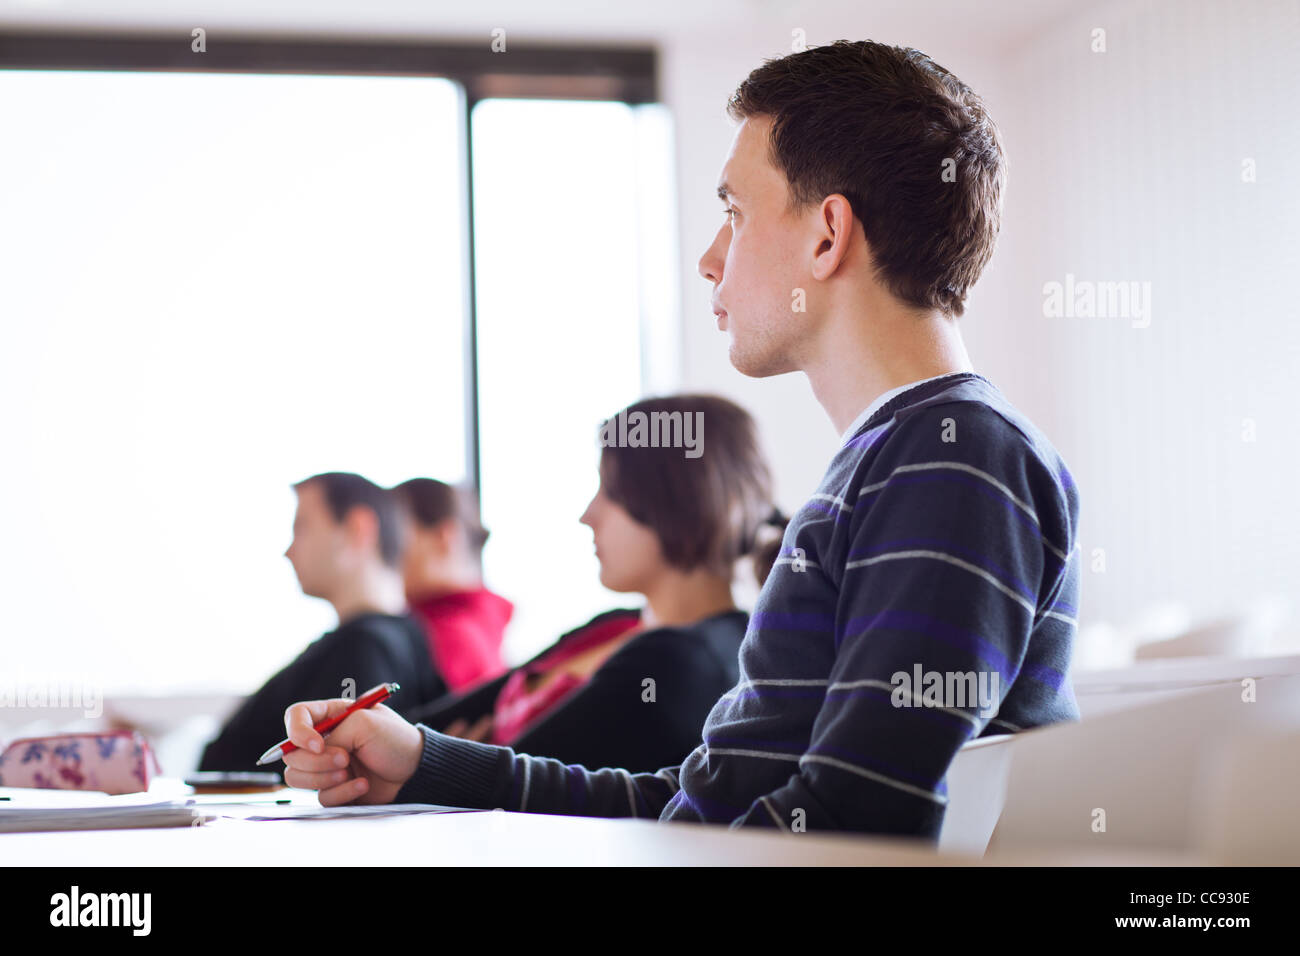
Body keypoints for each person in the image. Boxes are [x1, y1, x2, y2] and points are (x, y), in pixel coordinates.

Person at [280, 39, 1082, 839]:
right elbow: (697, 809)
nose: (709, 258)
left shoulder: (954, 458)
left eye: (733, 212)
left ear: (827, 235)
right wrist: (423, 761)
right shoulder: (892, 465)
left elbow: (856, 822)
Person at [400, 393, 780, 774]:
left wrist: (444, 765)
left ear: (677, 500)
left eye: (610, 492)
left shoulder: (682, 663)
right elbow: (421, 732)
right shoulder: (614, 625)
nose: (587, 516)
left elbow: (503, 785)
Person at [197, 472, 444, 773]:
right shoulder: (410, 636)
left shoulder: (363, 647)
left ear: (357, 529)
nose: (288, 551)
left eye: (301, 528)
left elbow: (339, 771)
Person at [393, 478, 513, 695]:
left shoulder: (447, 635)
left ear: (443, 537)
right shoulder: (479, 621)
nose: (386, 550)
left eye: (394, 535)